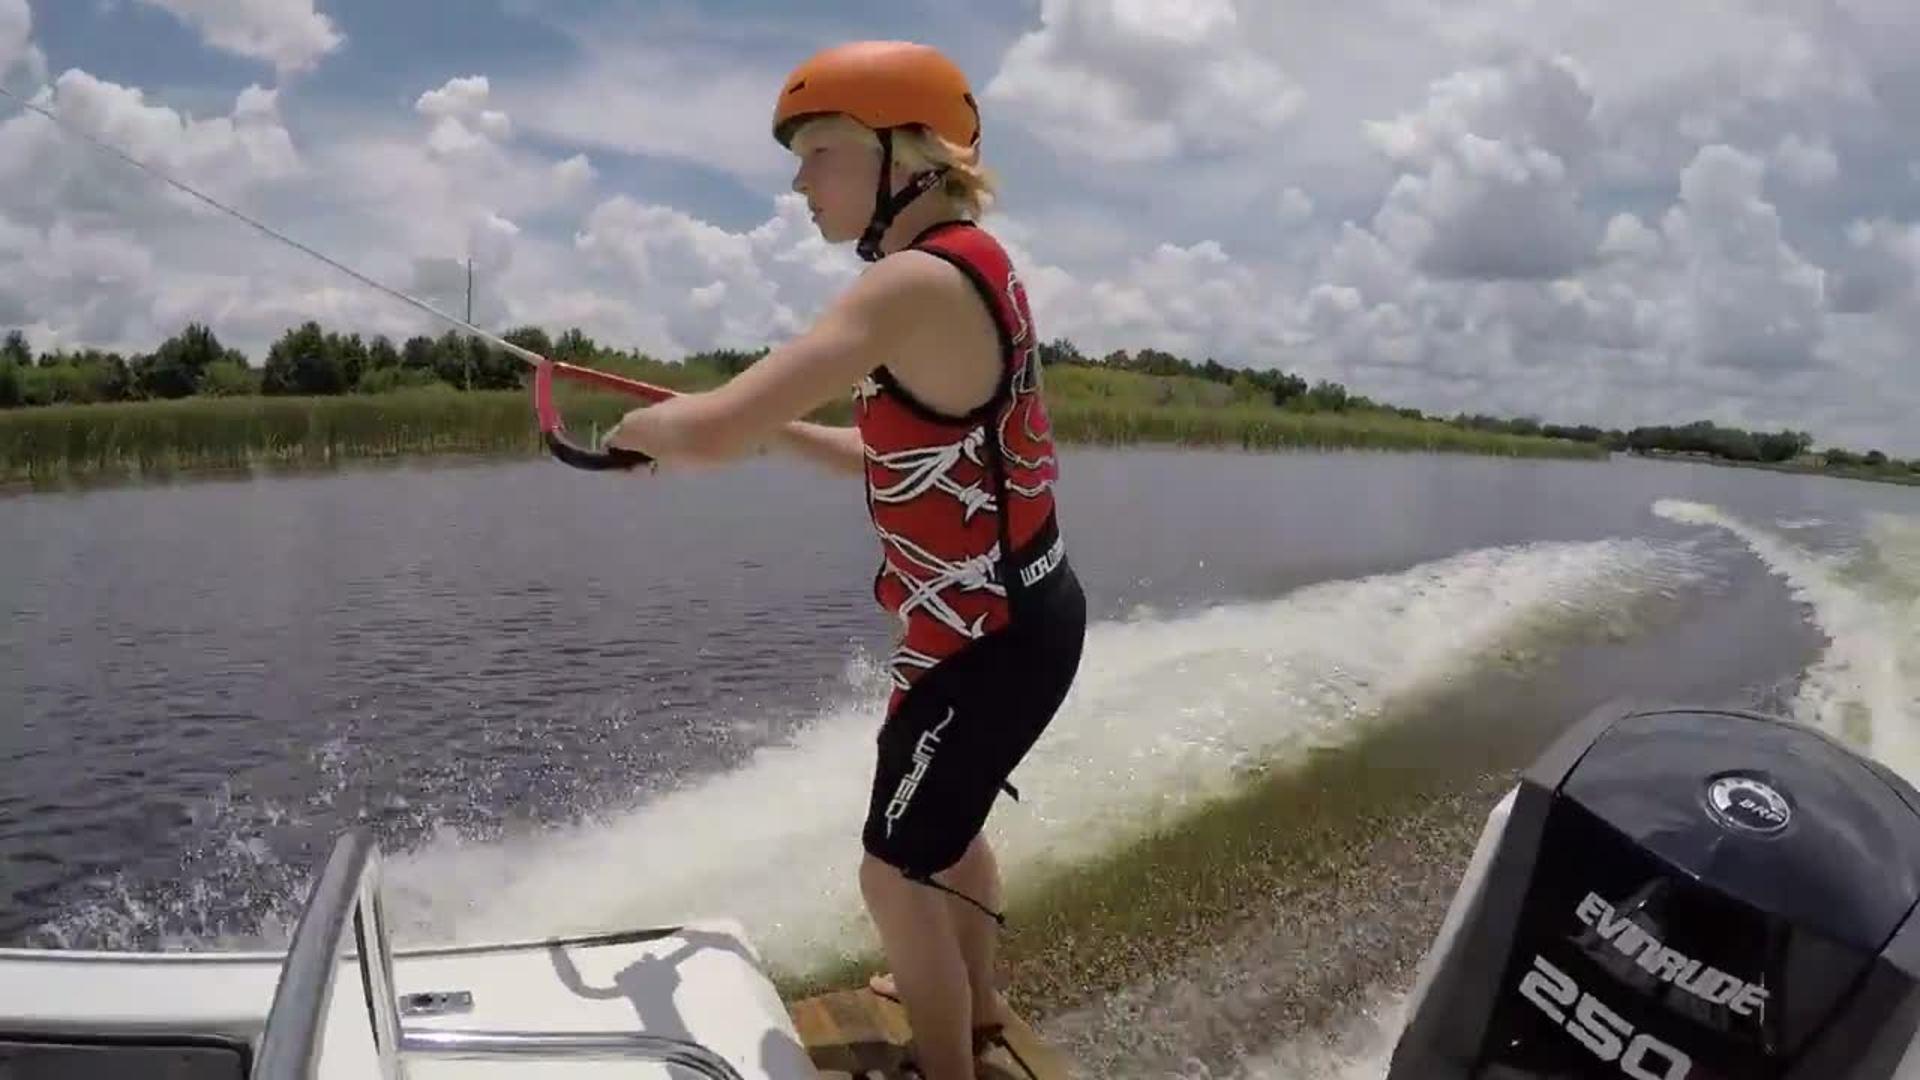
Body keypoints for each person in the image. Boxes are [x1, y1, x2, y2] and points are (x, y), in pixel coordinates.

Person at [601, 39, 1088, 1080]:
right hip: (1016, 621)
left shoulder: (908, 284)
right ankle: (980, 1002)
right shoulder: (972, 267)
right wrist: (766, 432)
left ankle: (946, 1066)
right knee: (948, 830)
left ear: (906, 155)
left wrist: (650, 432)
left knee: (891, 875)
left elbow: (708, 431)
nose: (798, 184)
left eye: (818, 152)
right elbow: (898, 458)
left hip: (983, 644)